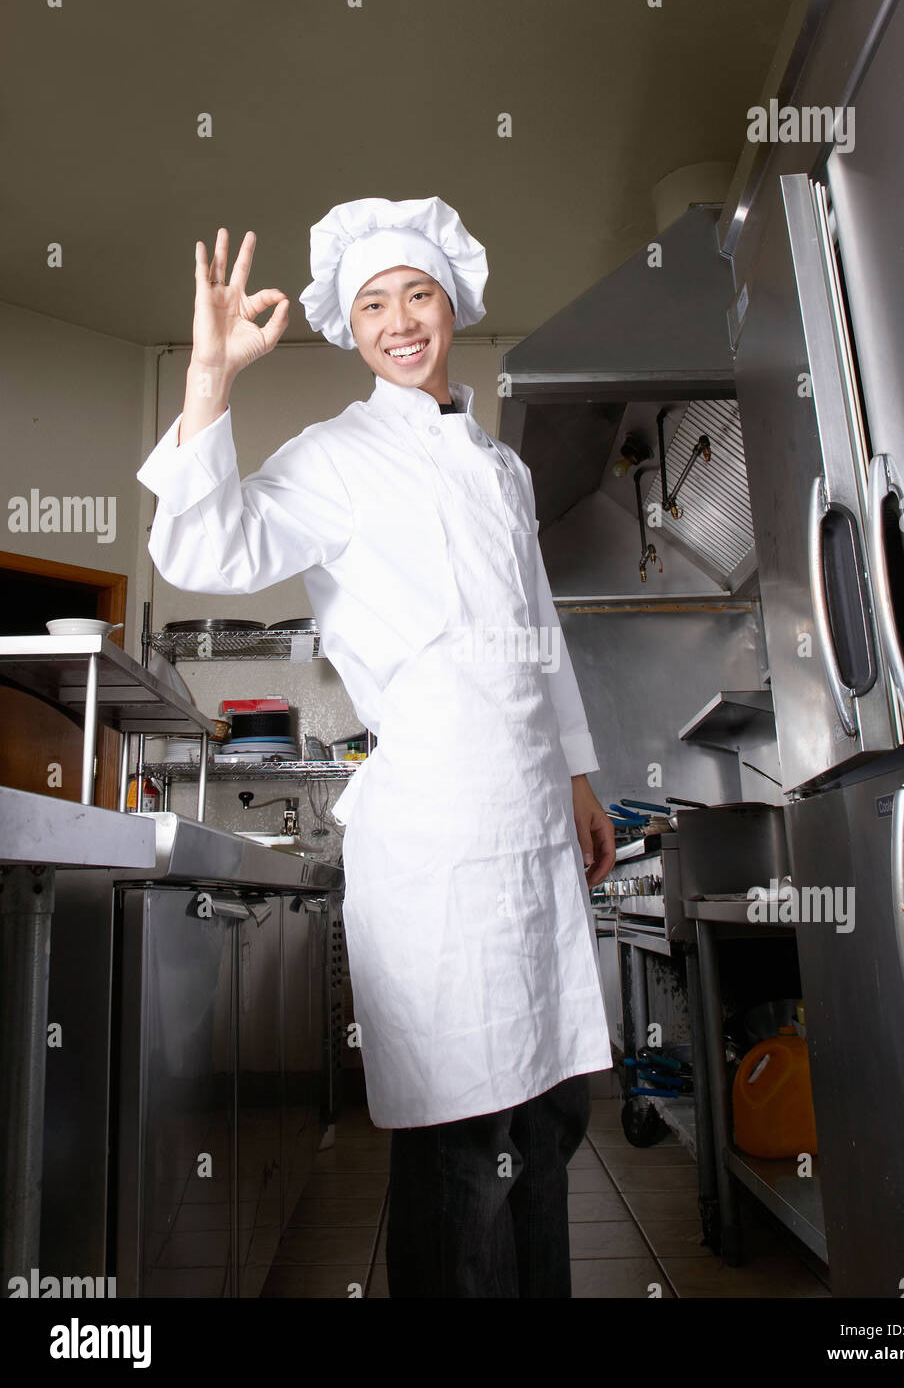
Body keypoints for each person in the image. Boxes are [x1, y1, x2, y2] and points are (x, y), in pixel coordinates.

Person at [136, 196, 616, 1298]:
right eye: (370, 305)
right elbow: (204, 541)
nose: (398, 321)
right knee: (464, 1135)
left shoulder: (502, 469)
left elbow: (537, 637)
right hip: (439, 839)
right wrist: (211, 376)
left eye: (415, 294)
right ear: (348, 328)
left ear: (450, 303)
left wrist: (582, 779)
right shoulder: (336, 457)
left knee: (548, 1117)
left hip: (534, 826)